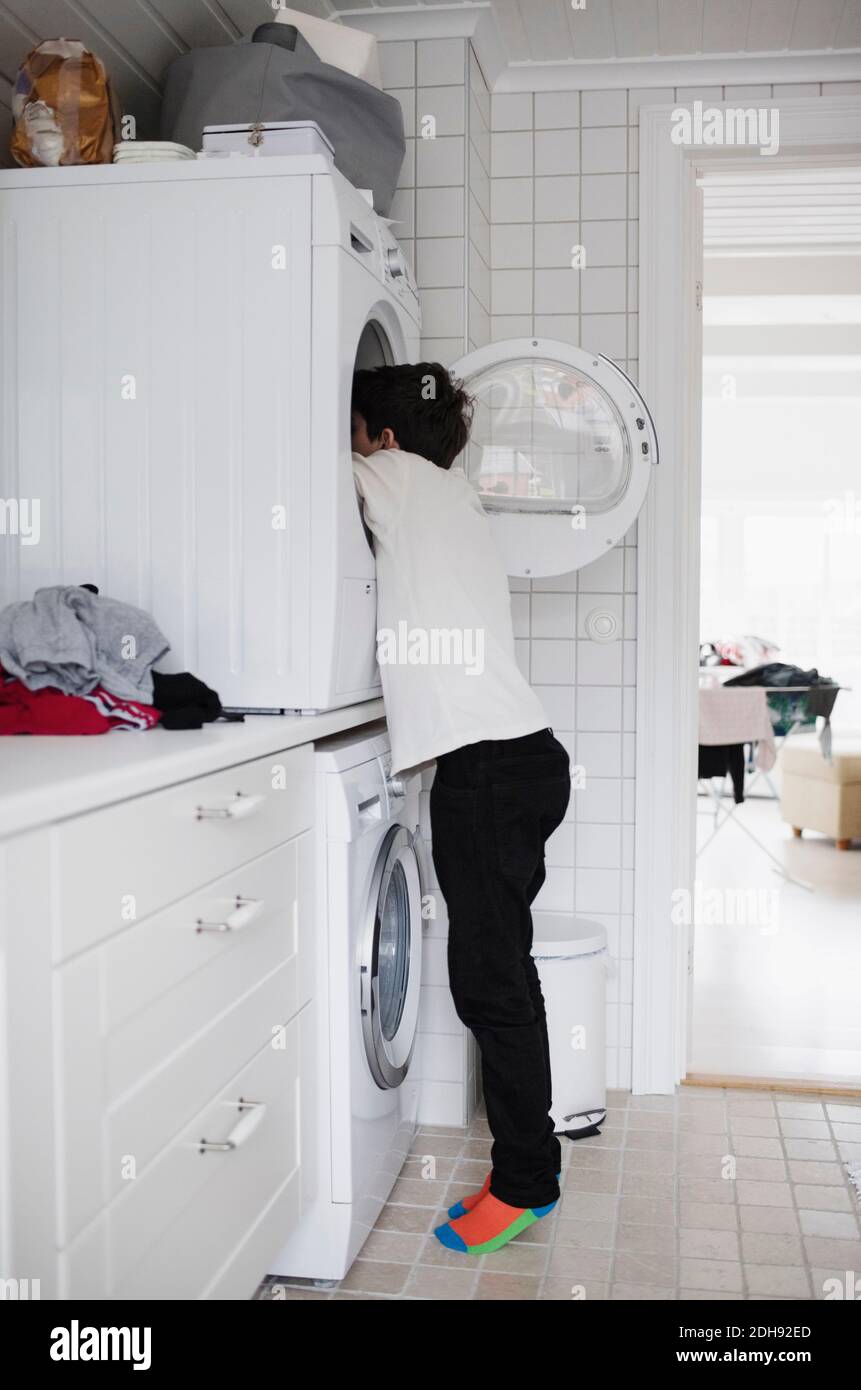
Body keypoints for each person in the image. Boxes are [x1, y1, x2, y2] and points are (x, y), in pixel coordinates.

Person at [351, 362, 571, 1255]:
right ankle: (528, 1164)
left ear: (388, 441)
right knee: (505, 976)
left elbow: (285, 458)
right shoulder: (454, 496)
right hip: (524, 761)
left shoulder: (396, 478)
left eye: (362, 432)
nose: (356, 448)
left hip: (489, 774)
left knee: (489, 984)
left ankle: (526, 1181)